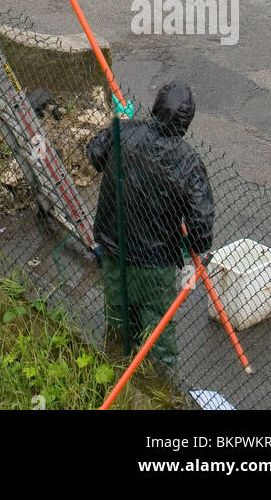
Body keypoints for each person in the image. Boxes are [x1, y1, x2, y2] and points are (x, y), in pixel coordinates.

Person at [85, 81, 214, 374]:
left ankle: (116, 367)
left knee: (119, 318)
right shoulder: (188, 162)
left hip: (113, 249)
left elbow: (94, 153)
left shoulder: (127, 132)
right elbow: (201, 227)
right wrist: (192, 244)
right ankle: (158, 390)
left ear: (156, 106)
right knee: (158, 332)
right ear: (187, 120)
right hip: (154, 265)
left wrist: (116, 126)